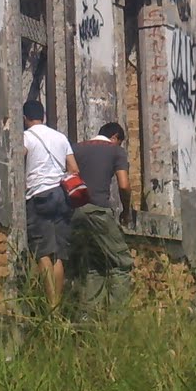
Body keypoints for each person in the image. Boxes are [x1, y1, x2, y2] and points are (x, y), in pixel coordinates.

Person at [68, 121, 134, 312]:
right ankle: (117, 320)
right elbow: (123, 185)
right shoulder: (115, 151)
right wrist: (126, 211)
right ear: (115, 137)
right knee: (122, 263)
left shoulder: (76, 148)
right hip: (97, 211)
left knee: (93, 265)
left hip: (75, 213)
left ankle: (88, 318)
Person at [22, 99, 77, 309]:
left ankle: (50, 306)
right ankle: (57, 305)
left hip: (39, 196)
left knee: (42, 251)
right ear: (44, 116)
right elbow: (73, 168)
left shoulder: (27, 137)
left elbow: (17, 158)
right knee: (58, 254)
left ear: (25, 118)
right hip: (61, 196)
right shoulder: (60, 137)